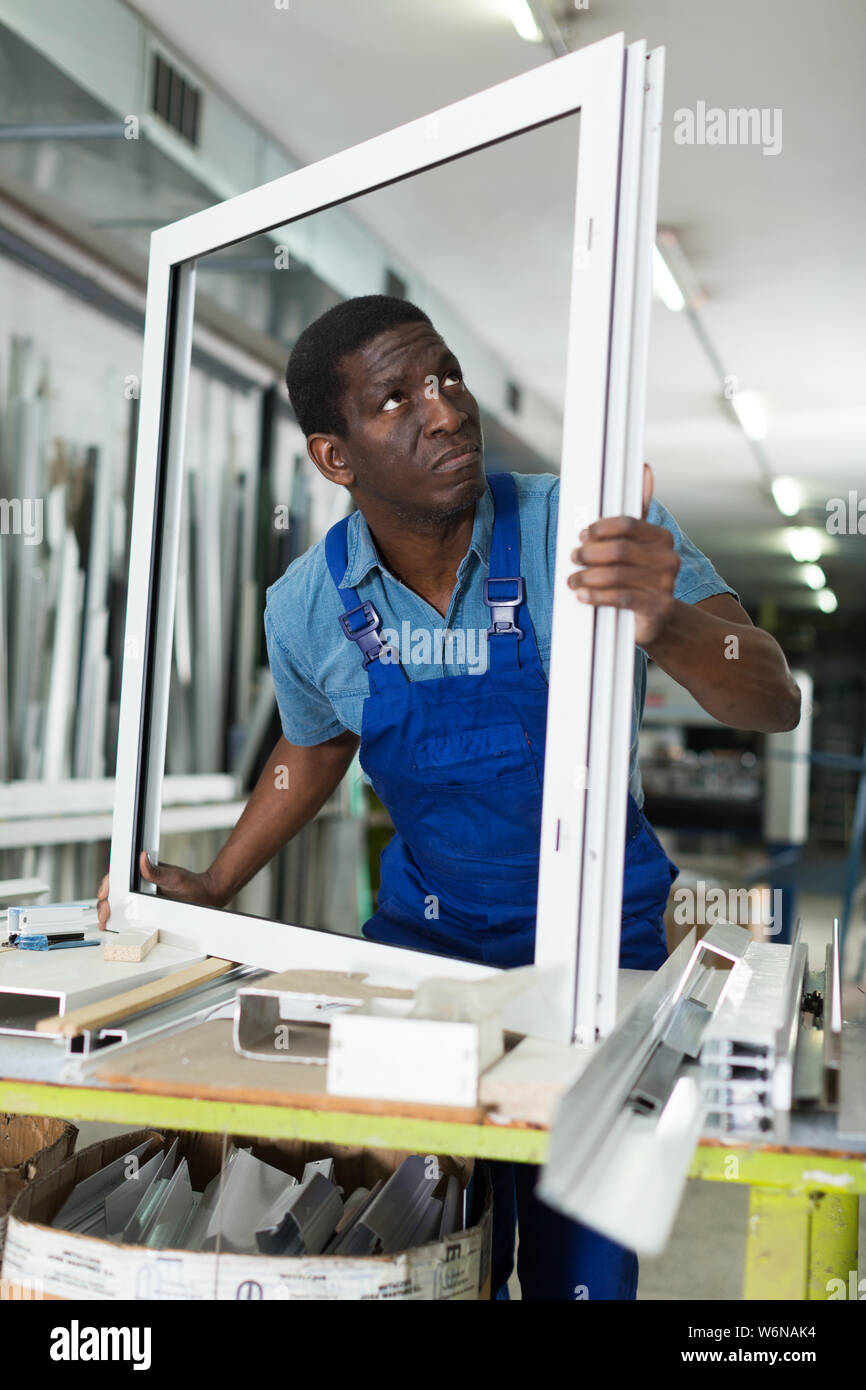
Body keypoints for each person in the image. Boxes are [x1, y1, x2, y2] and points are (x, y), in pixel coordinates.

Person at [98, 294, 801, 1299]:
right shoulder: (305, 607)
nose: (443, 409)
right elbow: (315, 745)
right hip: (426, 953)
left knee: (580, 1265)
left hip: (599, 954)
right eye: (395, 398)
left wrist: (666, 622)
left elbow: (768, 694)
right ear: (335, 459)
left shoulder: (585, 529)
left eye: (445, 377)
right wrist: (214, 880)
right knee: (415, 1245)